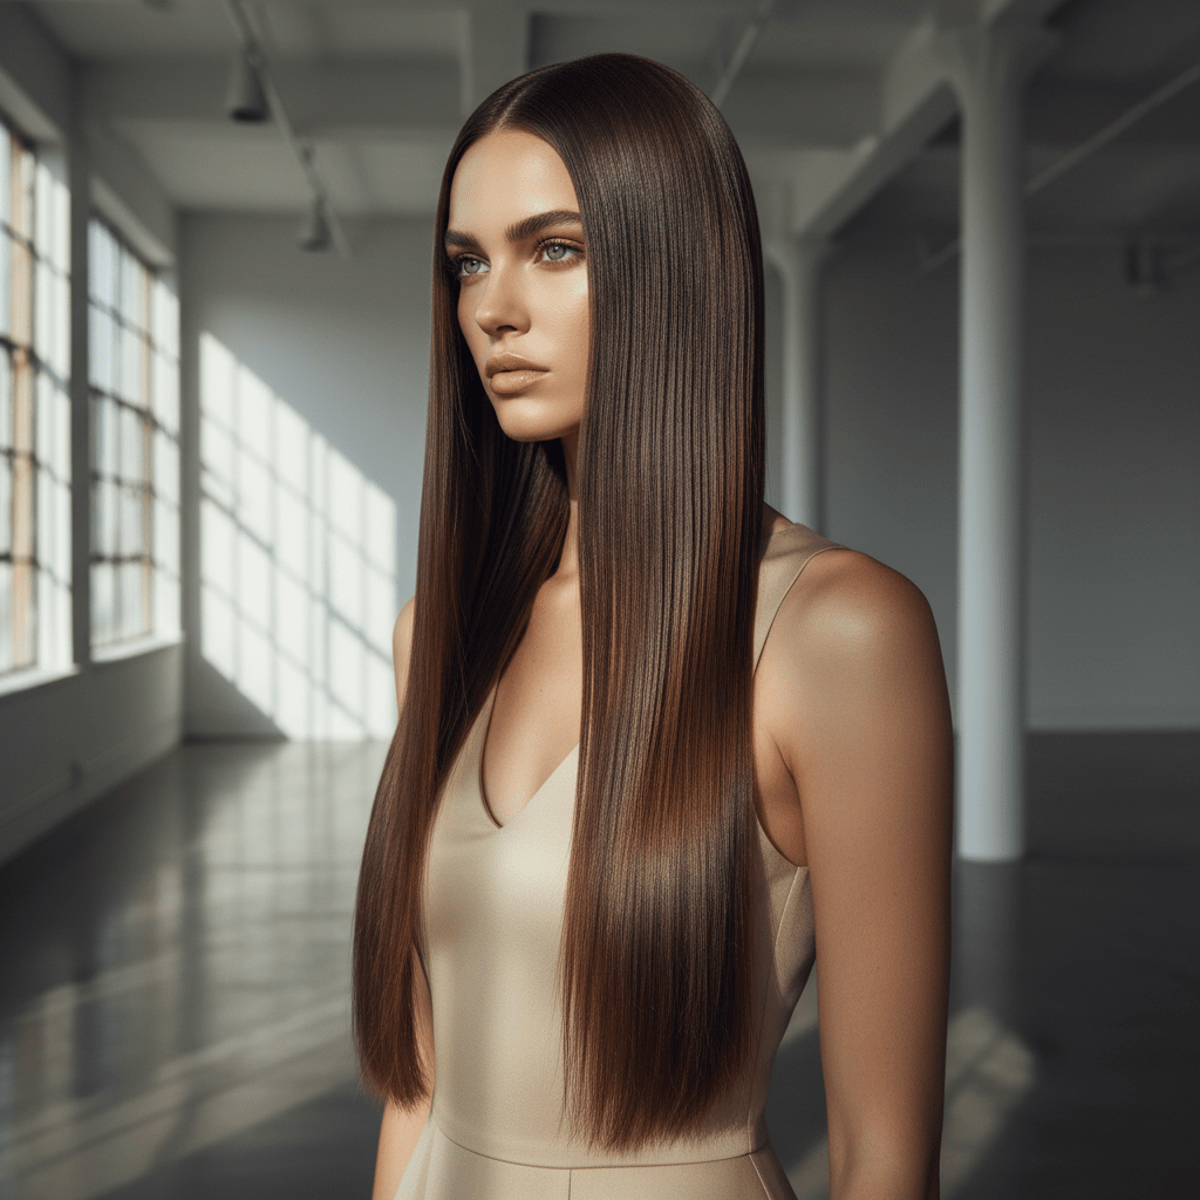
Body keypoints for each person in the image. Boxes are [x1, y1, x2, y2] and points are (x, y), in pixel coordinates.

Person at [354, 53, 952, 1200]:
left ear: (679, 270)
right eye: (467, 263)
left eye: (555, 248)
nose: (492, 306)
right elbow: (417, 1085)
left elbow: (883, 1158)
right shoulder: (438, 633)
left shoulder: (837, 633)